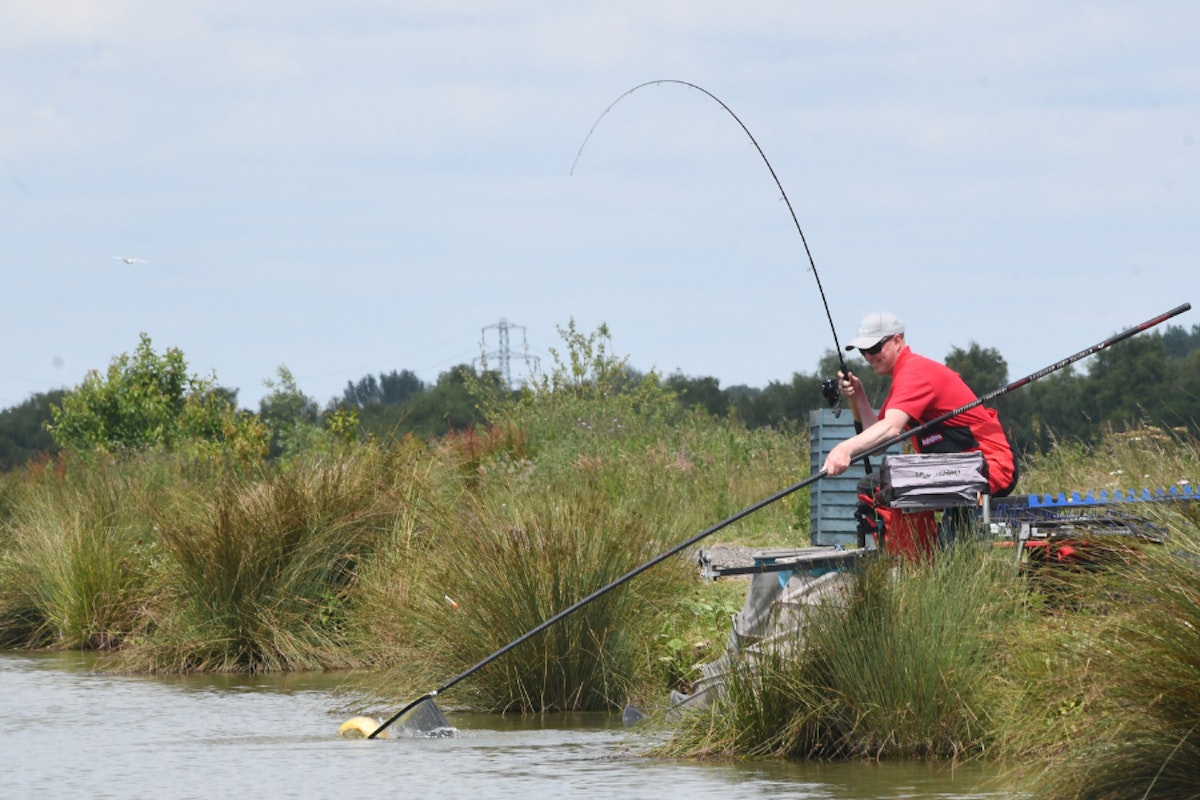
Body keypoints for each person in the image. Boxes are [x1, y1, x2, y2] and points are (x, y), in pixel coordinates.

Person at [823, 311, 1018, 559]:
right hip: (956, 468)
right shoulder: (905, 376)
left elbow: (891, 428)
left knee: (892, 485)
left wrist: (844, 449)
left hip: (990, 466)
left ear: (897, 341)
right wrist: (859, 396)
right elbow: (880, 440)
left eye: (874, 347)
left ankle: (913, 567)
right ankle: (917, 562)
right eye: (863, 352)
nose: (869, 357)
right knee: (875, 486)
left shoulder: (914, 373)